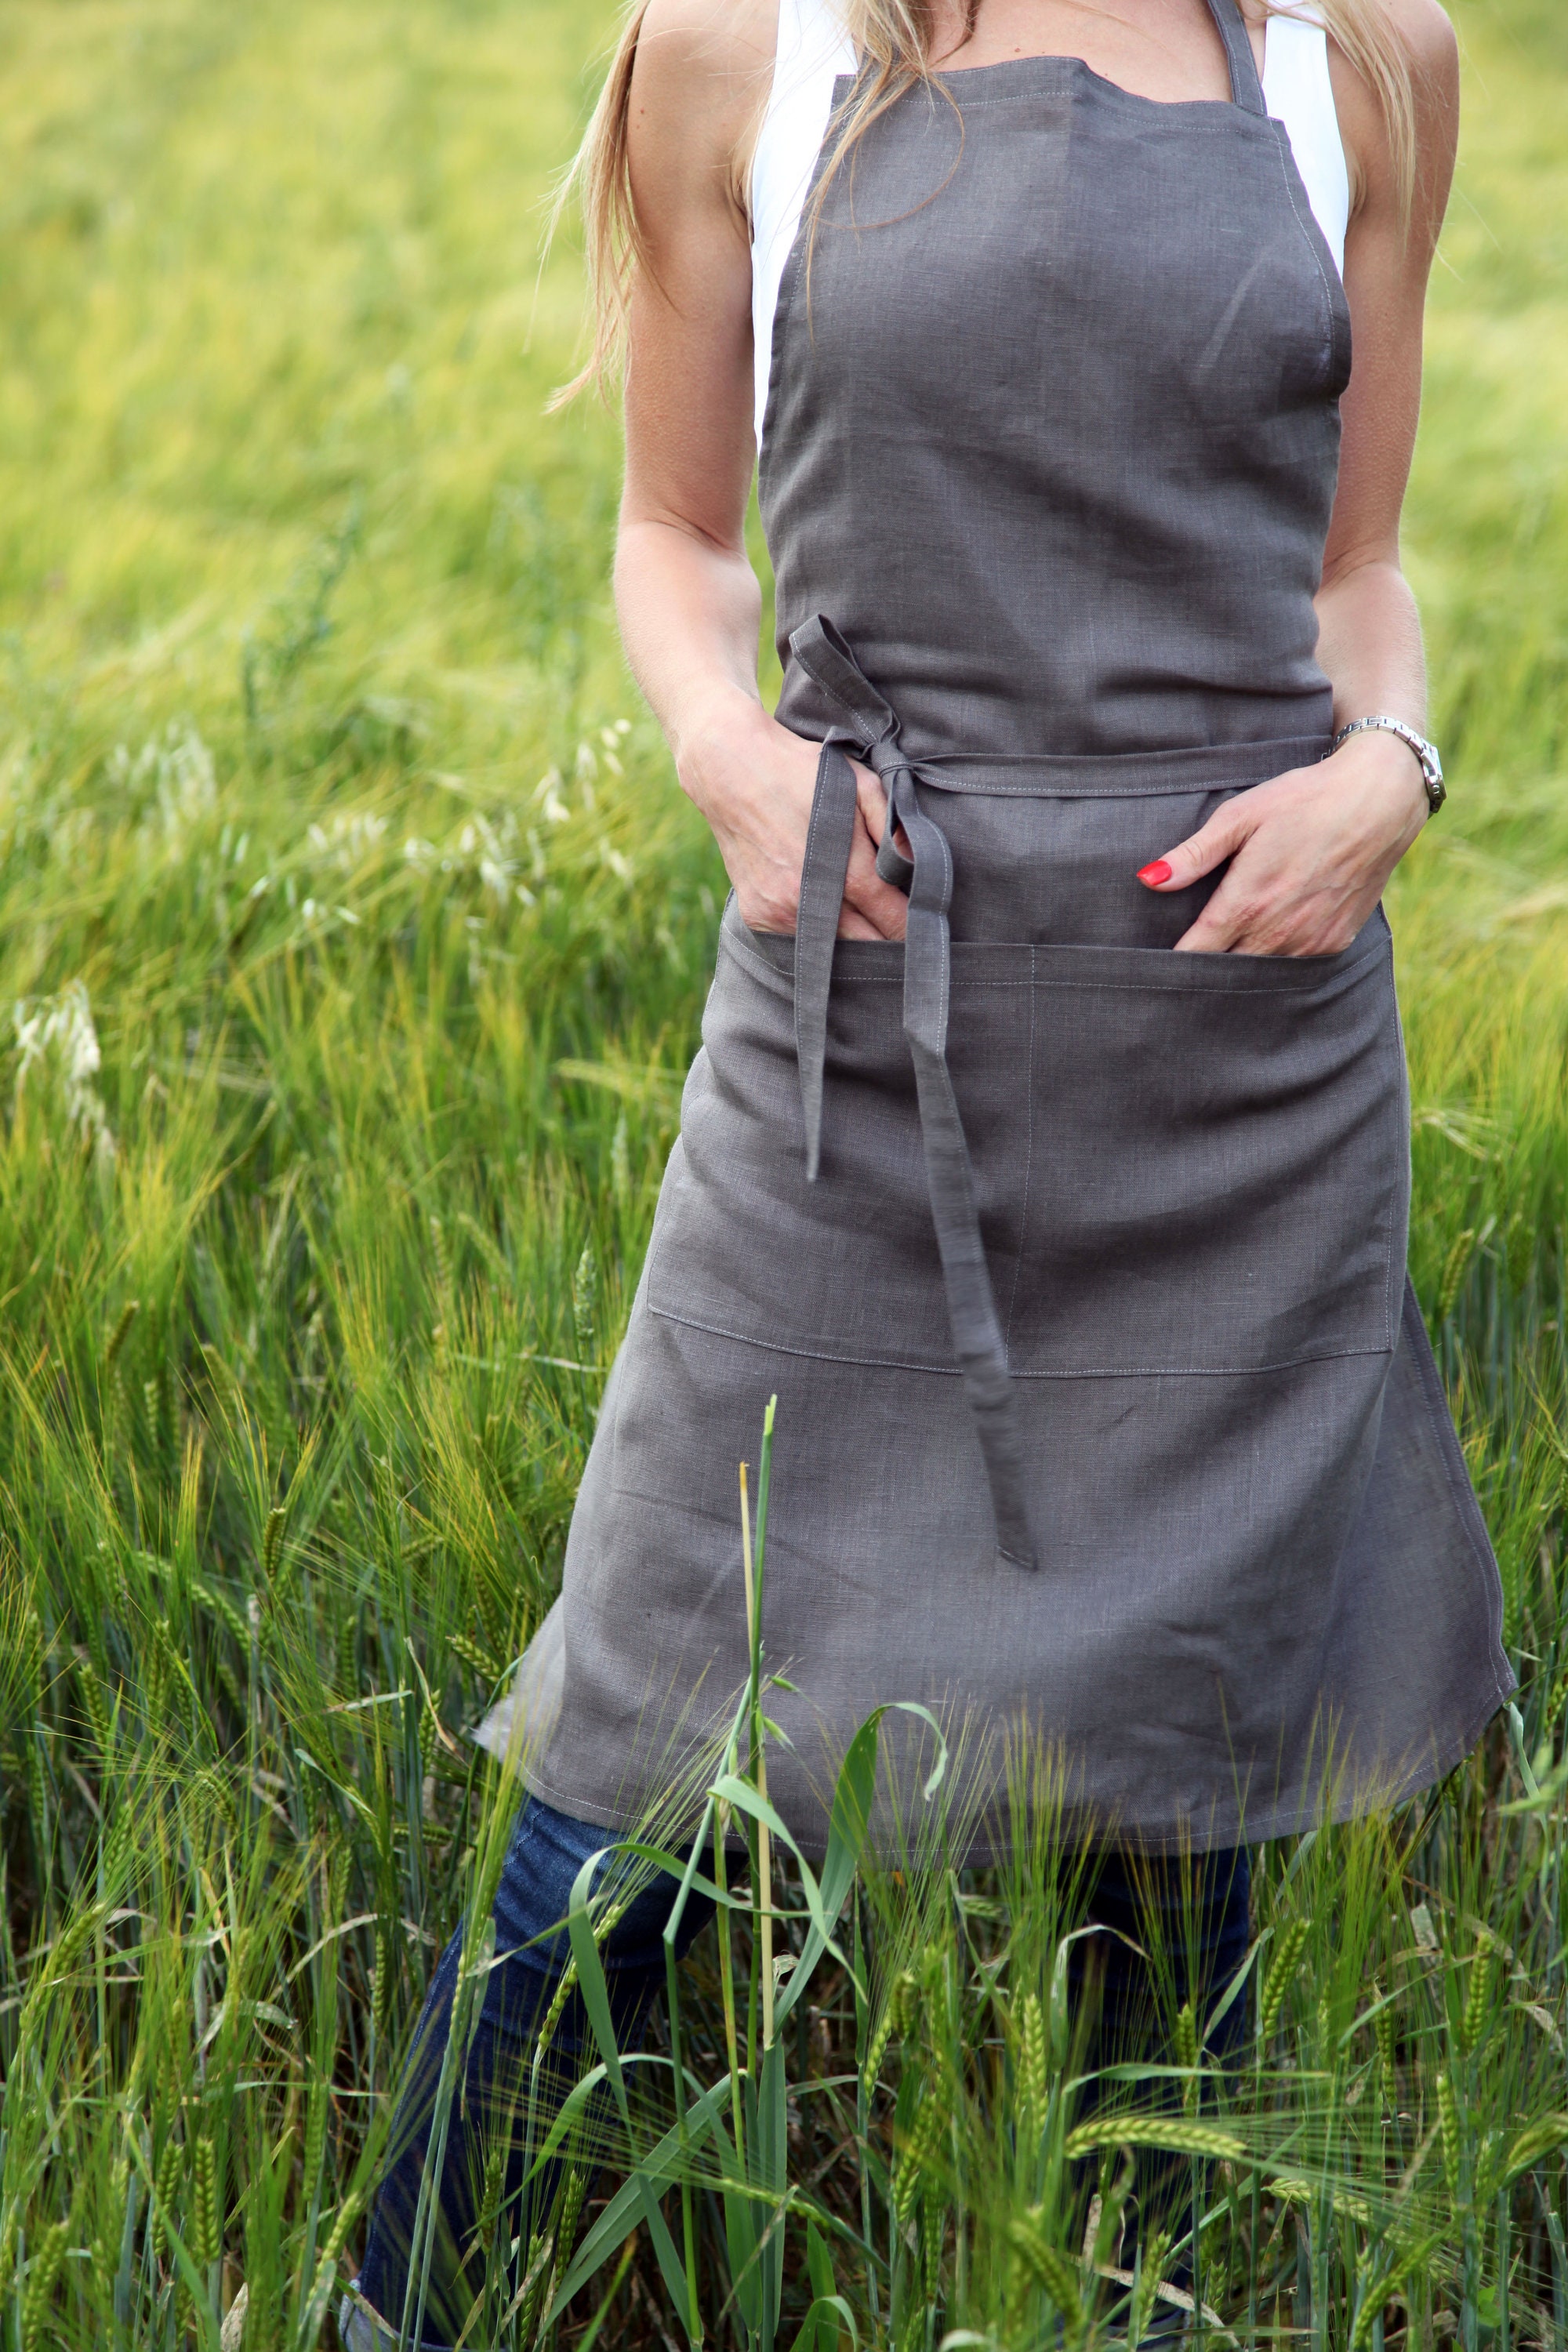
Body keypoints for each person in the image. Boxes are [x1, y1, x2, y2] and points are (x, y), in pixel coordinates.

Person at [347, 0, 1515, 2339]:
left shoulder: (1364, 52)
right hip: (859, 1036)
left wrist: (1395, 760)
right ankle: (401, 2308)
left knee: (1181, 1814)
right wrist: (725, 755)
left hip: (1236, 1053)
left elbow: (1356, 566)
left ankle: (1133, 2295)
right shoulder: (742, 48)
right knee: (633, 1776)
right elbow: (675, 537)